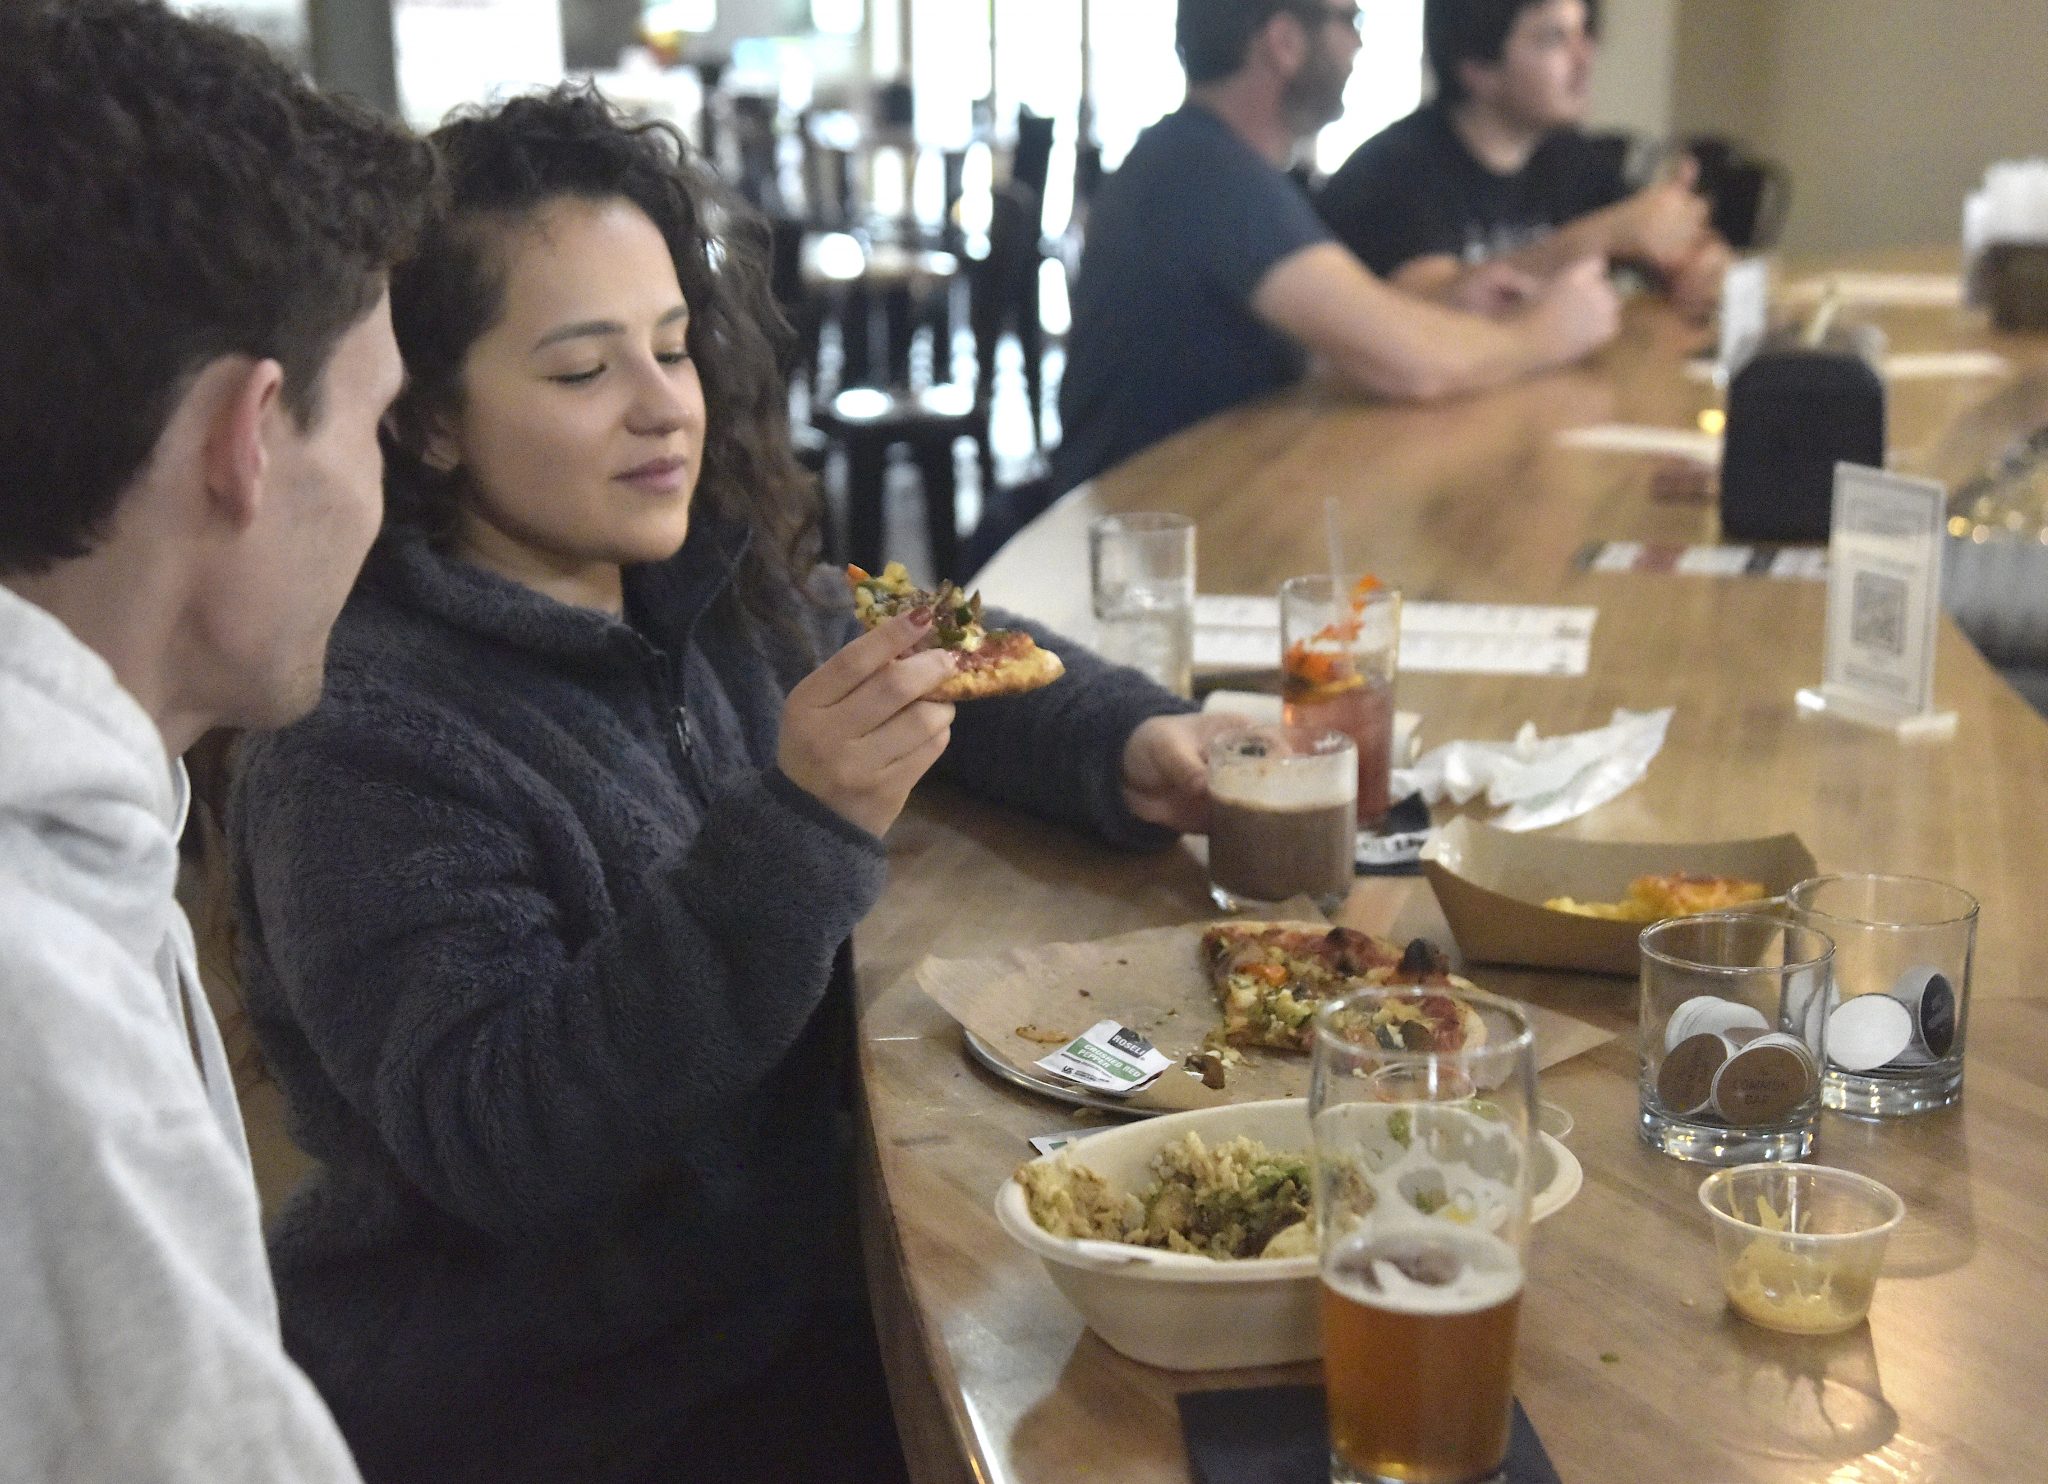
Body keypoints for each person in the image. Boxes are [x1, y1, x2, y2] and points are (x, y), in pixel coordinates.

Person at [226, 86, 1232, 1484]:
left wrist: (1124, 741)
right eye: (584, 373)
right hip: (581, 1400)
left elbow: (931, 648)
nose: (664, 412)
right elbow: (507, 1140)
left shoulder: (707, 586)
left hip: (809, 1274)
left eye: (675, 349)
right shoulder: (361, 736)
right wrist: (801, 826)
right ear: (434, 417)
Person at [0, 1, 434, 1478]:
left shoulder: (97, 816)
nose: (381, 495)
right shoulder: (33, 1012)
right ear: (249, 438)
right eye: (374, 428)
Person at [1051, 0, 1621, 495]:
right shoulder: (1210, 175)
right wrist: (1547, 331)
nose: (1359, 42)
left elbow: (1332, 344)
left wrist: (1449, 307)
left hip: (1191, 503)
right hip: (1148, 539)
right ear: (1285, 42)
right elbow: (1411, 364)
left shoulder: (1205, 161)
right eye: (1349, 19)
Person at [1317, 0, 1730, 320]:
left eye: (1584, 32)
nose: (1585, 59)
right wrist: (1605, 235)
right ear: (1476, 66)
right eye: (1554, 38)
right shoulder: (1392, 172)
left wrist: (1693, 267)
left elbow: (1683, 256)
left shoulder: (1572, 158)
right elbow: (1426, 307)